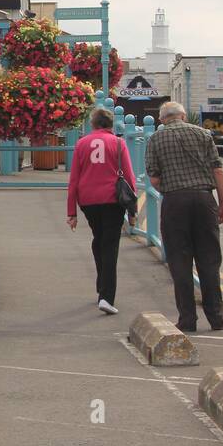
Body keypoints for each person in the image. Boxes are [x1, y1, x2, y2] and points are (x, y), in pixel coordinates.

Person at [145, 101, 223, 332]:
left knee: (179, 261)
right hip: (204, 200)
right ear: (183, 116)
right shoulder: (203, 134)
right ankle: (217, 317)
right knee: (209, 260)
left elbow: (153, 179)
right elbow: (218, 170)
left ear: (162, 120)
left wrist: (173, 186)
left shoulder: (155, 139)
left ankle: (187, 319)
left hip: (174, 202)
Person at [67, 107, 138, 315]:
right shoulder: (118, 143)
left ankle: (101, 284)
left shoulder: (81, 144)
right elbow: (130, 177)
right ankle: (106, 297)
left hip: (87, 200)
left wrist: (71, 212)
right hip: (112, 200)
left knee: (99, 239)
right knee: (110, 245)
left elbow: (73, 180)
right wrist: (132, 211)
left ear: (93, 124)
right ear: (111, 124)